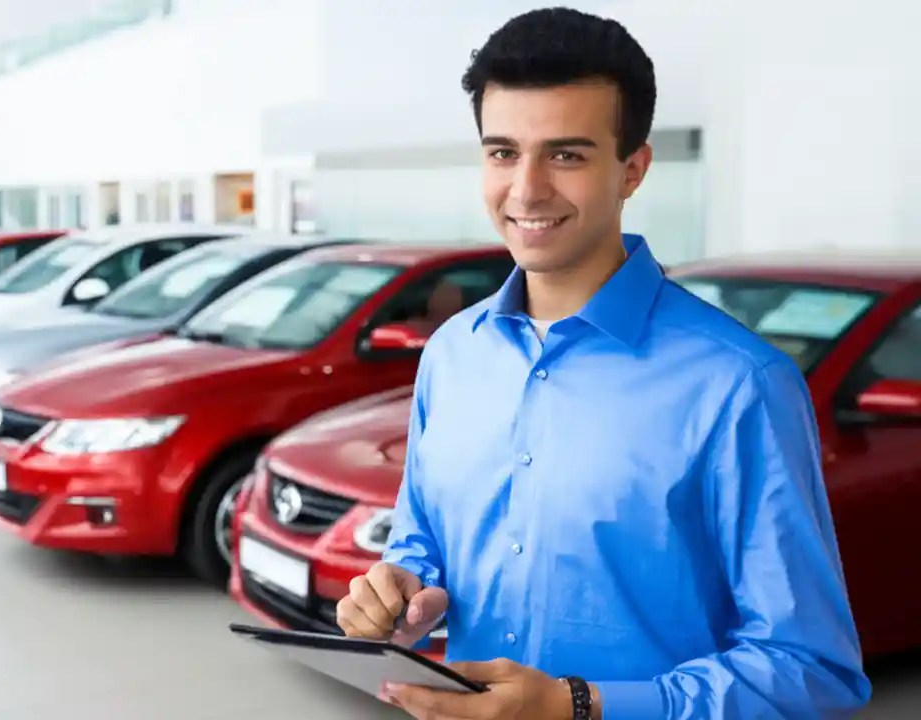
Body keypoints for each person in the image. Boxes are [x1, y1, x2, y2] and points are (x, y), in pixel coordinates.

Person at [335, 7, 872, 719]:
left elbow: (811, 670)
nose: (526, 190)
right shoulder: (451, 355)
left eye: (566, 155)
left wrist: (582, 705)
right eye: (502, 153)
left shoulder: (739, 385)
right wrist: (402, 589)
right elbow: (422, 543)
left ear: (633, 169)